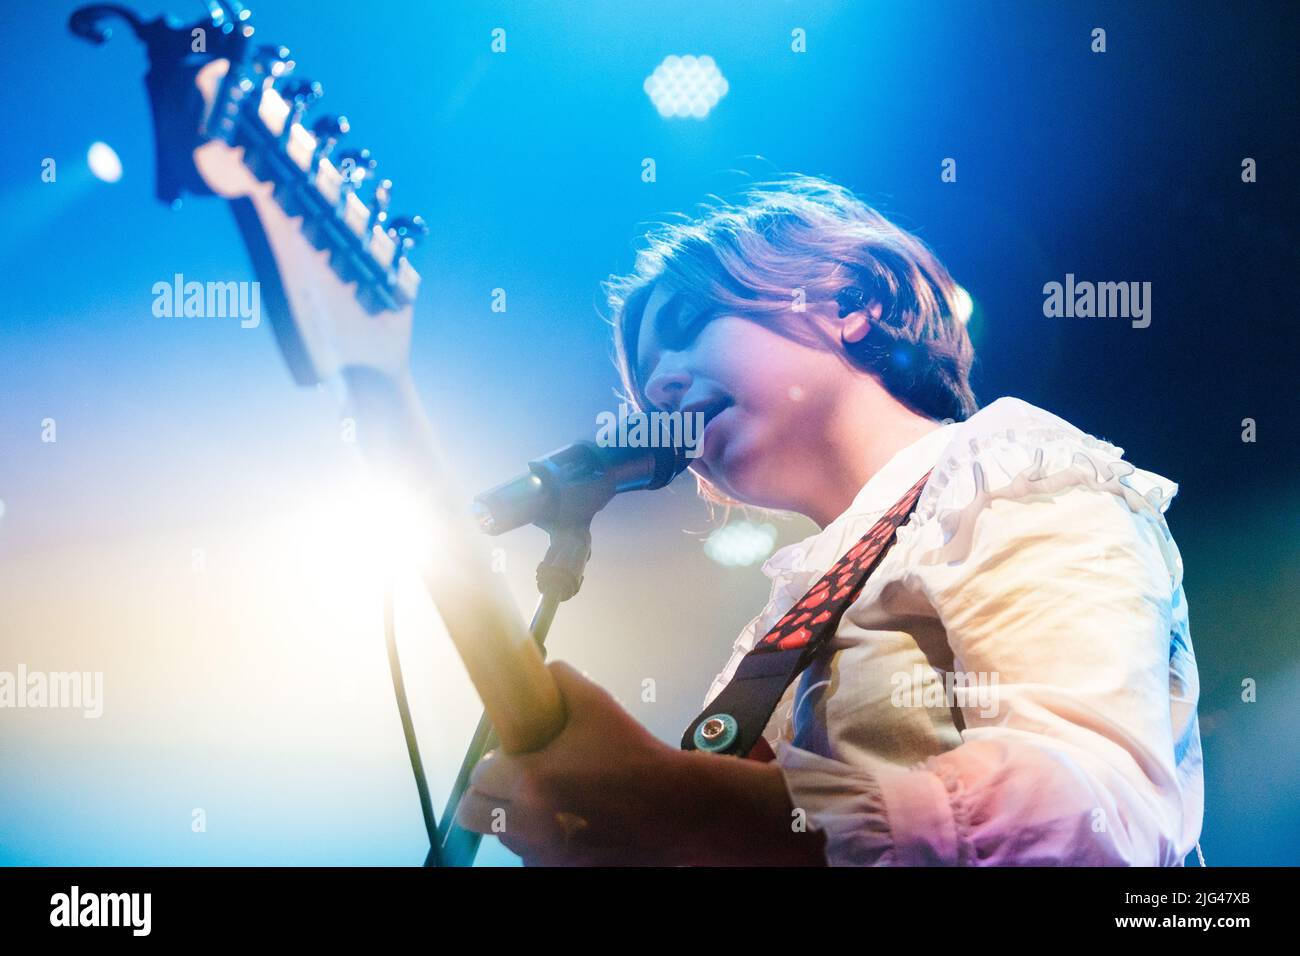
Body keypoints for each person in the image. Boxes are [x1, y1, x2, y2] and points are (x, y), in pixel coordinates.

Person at [455, 174, 1204, 866]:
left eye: (687, 326)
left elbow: (1097, 818)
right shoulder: (785, 623)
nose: (658, 383)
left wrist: (684, 807)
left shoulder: (1014, 475)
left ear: (849, 305)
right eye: (644, 380)